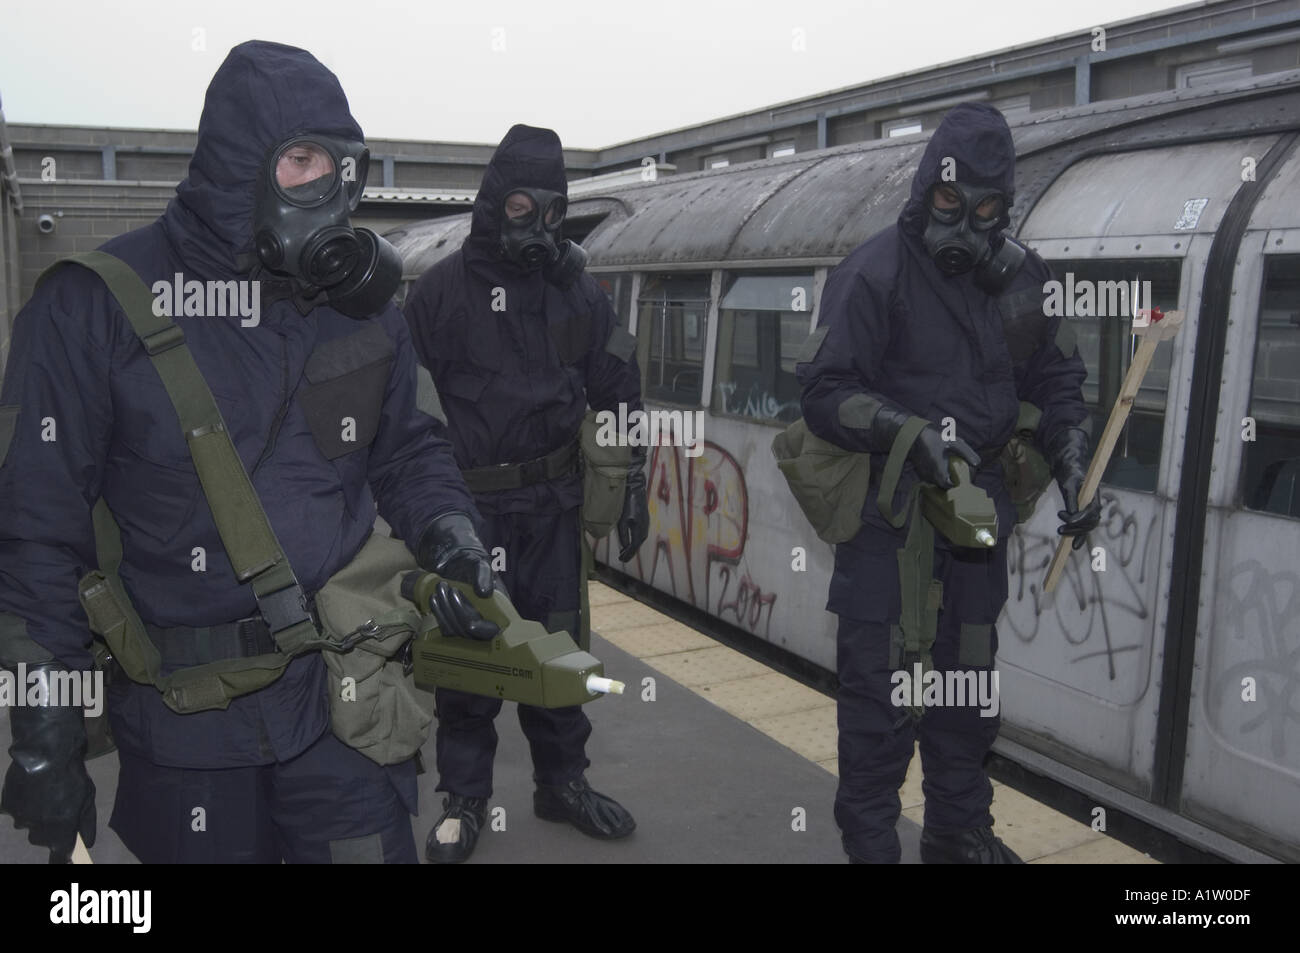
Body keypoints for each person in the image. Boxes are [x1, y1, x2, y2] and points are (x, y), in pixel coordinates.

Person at [0, 40, 496, 864]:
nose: (327, 188)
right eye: (300, 160)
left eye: (342, 166)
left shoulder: (362, 310)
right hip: (185, 724)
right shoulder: (92, 308)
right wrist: (44, 724)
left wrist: (451, 529)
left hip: (345, 701)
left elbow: (409, 450)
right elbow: (35, 535)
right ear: (240, 163)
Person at [797, 102, 1101, 864]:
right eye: (949, 202)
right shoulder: (872, 273)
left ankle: (957, 831)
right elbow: (824, 391)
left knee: (967, 688)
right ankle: (873, 847)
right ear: (928, 187)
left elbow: (1061, 377)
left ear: (1005, 208)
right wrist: (906, 433)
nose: (965, 222)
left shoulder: (1024, 280)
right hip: (888, 523)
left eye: (986, 209)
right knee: (880, 705)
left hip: (977, 525)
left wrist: (1071, 450)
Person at [404, 123, 648, 864]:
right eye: (520, 207)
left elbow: (619, 388)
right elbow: (404, 416)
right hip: (470, 512)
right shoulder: (439, 295)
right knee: (471, 659)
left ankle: (562, 781)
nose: (538, 226)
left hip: (554, 508)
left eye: (552, 210)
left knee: (564, 651)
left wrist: (633, 480)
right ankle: (464, 800)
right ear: (490, 204)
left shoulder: (579, 292)